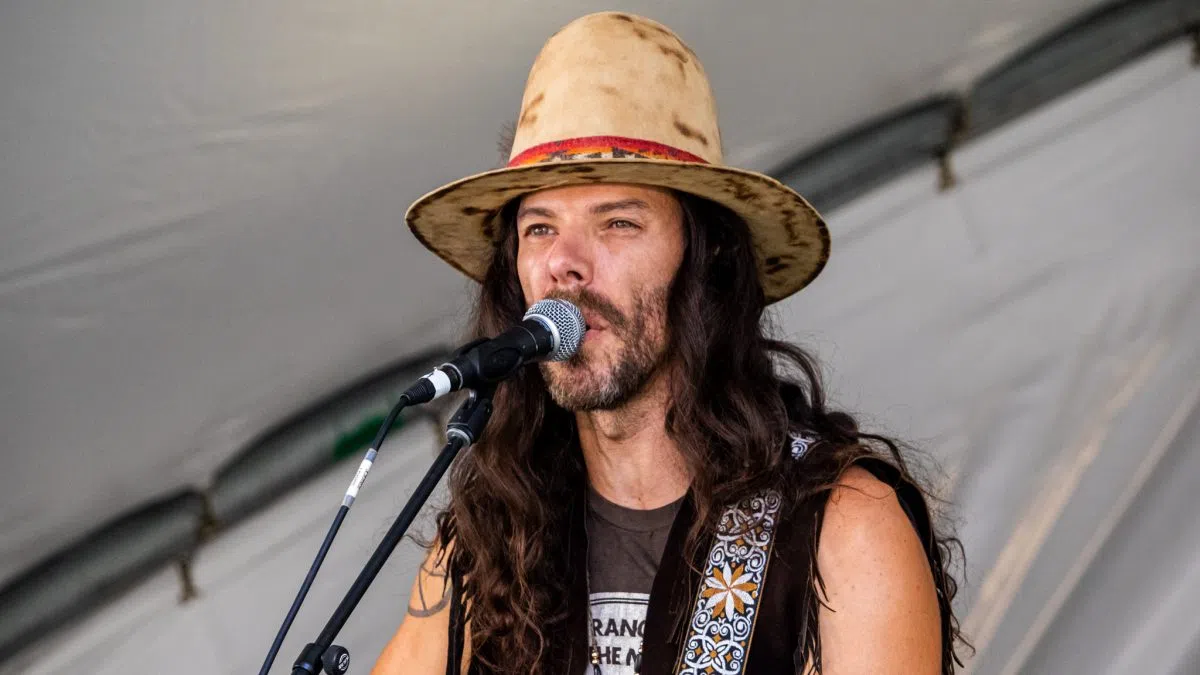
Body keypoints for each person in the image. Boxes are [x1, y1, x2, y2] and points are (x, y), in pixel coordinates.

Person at [373, 11, 967, 675]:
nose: (563, 263)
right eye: (538, 228)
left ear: (704, 258)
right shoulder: (486, 545)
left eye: (617, 222)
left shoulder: (843, 525)